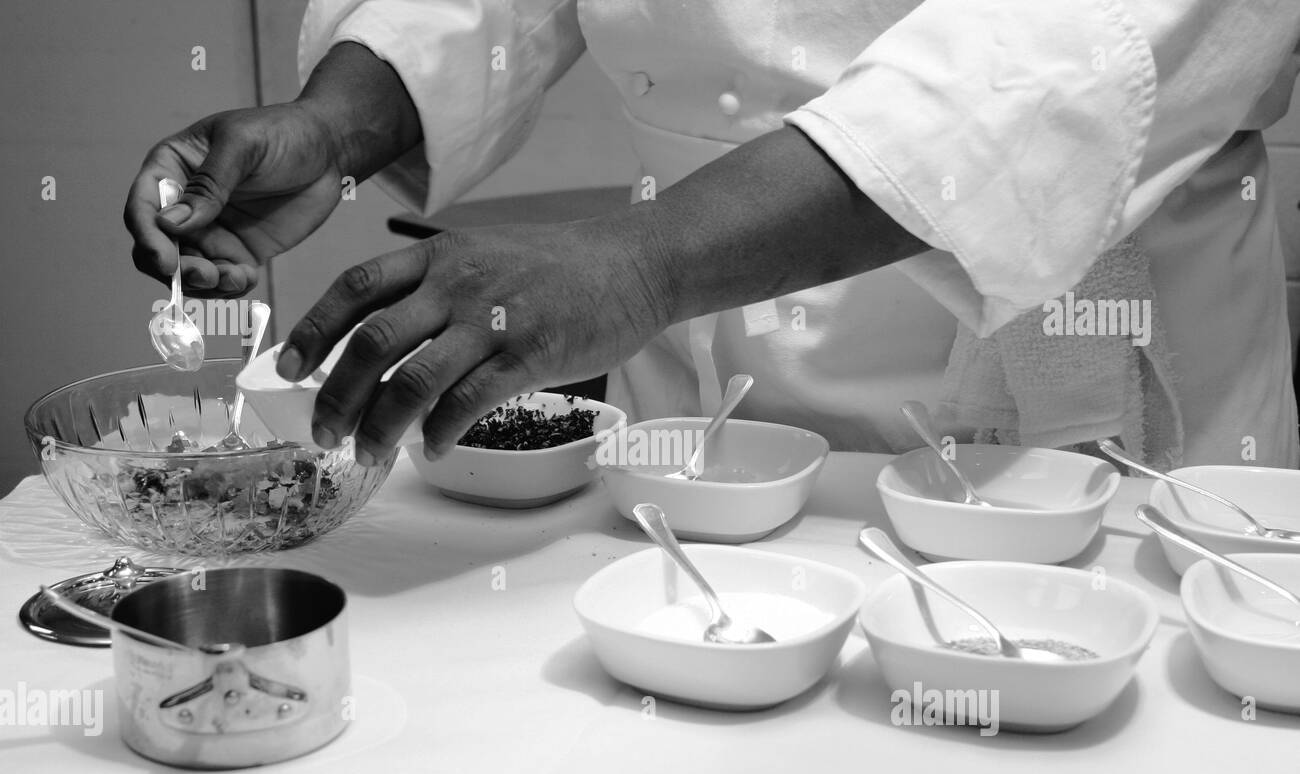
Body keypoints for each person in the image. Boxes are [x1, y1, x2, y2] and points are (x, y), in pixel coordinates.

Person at [125, 1, 1300, 470]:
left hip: (1061, 377)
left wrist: (640, 261)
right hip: (696, 385)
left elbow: (1066, 56)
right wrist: (340, 119)